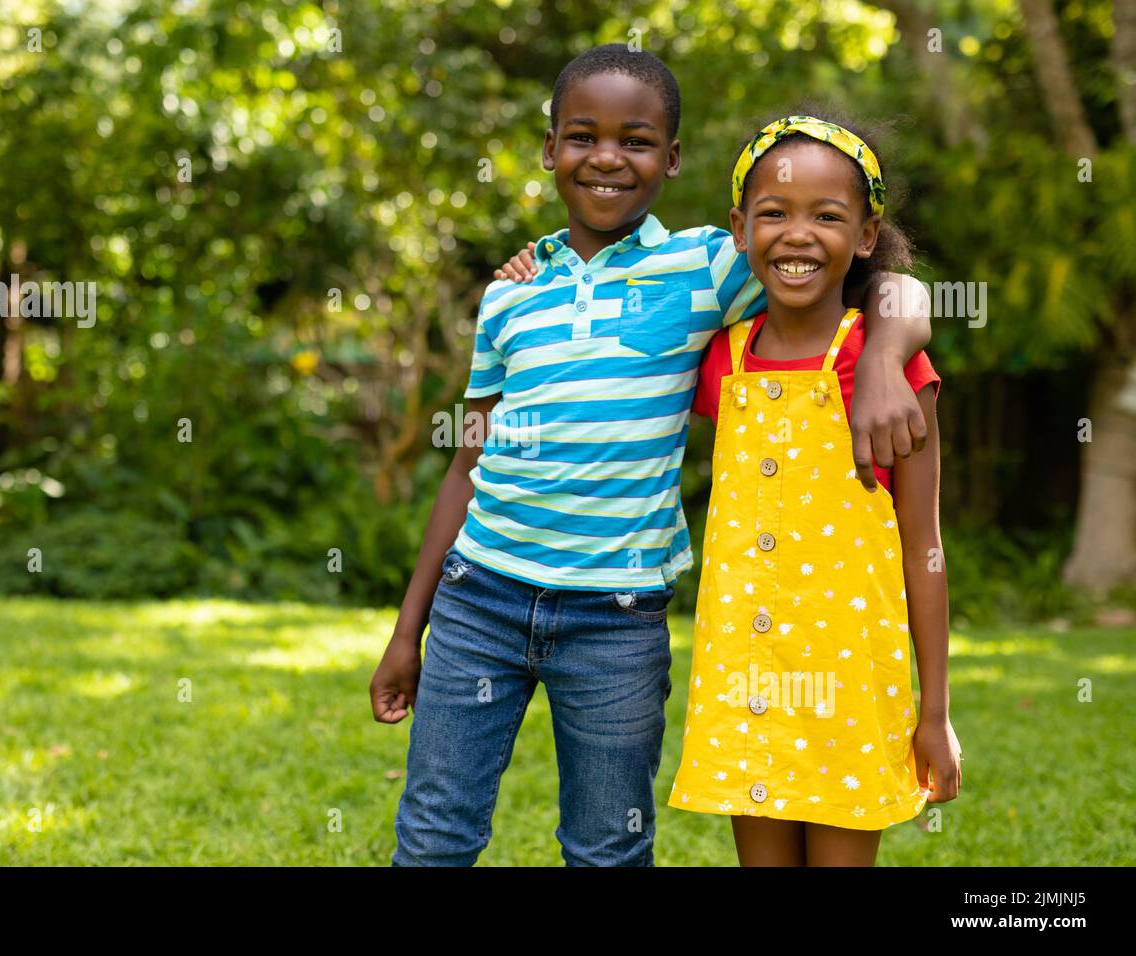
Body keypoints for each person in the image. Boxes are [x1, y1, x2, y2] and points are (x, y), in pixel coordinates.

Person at [370, 44, 932, 867]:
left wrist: (883, 359)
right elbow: (466, 464)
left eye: (634, 140)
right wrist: (406, 631)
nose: (605, 157)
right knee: (433, 838)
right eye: (581, 136)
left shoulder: (709, 265)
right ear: (551, 149)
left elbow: (889, 283)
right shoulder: (510, 294)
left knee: (607, 849)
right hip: (477, 600)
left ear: (670, 160)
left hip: (616, 621)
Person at [665, 111, 962, 866]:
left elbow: (924, 544)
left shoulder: (888, 369)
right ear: (739, 228)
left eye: (827, 217)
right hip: (747, 685)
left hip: (848, 690)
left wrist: (936, 714)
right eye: (774, 214)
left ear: (866, 236)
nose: (798, 235)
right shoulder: (717, 358)